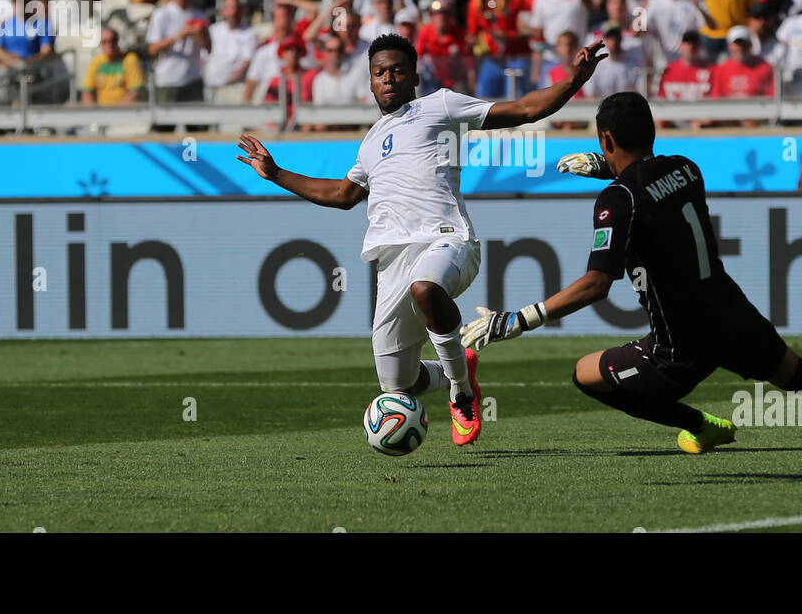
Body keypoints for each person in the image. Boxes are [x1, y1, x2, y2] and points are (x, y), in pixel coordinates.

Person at [461, 92, 802, 479]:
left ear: (607, 138)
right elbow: (649, 184)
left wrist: (518, 319)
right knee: (799, 374)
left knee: (584, 373)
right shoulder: (687, 169)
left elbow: (596, 284)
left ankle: (700, 426)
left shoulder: (617, 197)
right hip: (732, 312)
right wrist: (604, 163)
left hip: (680, 344)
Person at [235, 33, 608, 447]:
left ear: (413, 75)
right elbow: (342, 196)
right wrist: (276, 173)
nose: (388, 78)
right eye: (379, 73)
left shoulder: (440, 106)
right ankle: (458, 361)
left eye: (396, 70)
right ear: (371, 81)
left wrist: (574, 80)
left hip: (447, 240)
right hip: (390, 263)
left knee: (426, 289)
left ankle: (461, 391)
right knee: (400, 387)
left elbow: (523, 108)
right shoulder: (372, 140)